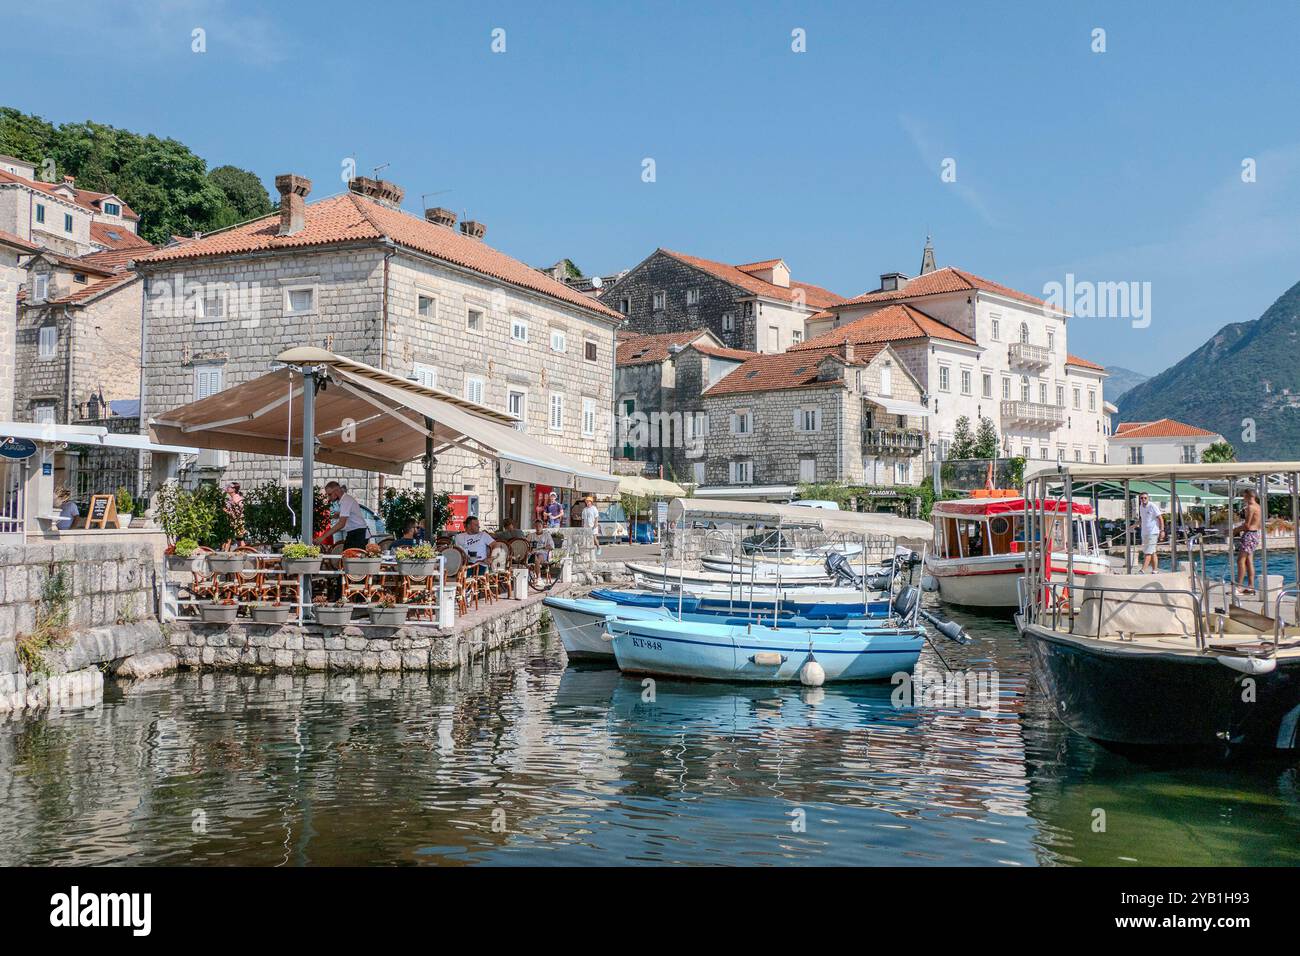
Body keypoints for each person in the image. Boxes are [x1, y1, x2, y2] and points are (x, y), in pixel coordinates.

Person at [1233, 488, 1263, 594]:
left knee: (1240, 560)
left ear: (1249, 496)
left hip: (1249, 534)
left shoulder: (1250, 507)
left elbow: (1247, 525)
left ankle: (1239, 587)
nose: (1243, 498)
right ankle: (1251, 586)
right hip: (1255, 534)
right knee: (1249, 561)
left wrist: (1234, 530)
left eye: (1244, 496)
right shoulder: (1258, 507)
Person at [324, 481, 368, 549]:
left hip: (358, 533)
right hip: (354, 532)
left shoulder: (346, 500)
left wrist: (323, 537)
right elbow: (344, 514)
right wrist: (334, 515)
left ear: (336, 491)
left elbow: (341, 524)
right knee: (346, 556)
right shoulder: (343, 500)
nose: (329, 498)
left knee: (350, 557)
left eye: (329, 494)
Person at [1135, 491, 1164, 573]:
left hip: (1153, 532)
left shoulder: (1152, 506)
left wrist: (1162, 530)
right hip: (1144, 532)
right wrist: (1133, 526)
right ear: (1140, 499)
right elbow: (1142, 519)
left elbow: (1160, 518)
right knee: (1152, 552)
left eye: (1145, 498)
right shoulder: (1141, 506)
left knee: (1148, 552)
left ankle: (1143, 570)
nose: (1143, 499)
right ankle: (1155, 570)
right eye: (1141, 498)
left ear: (1148, 498)